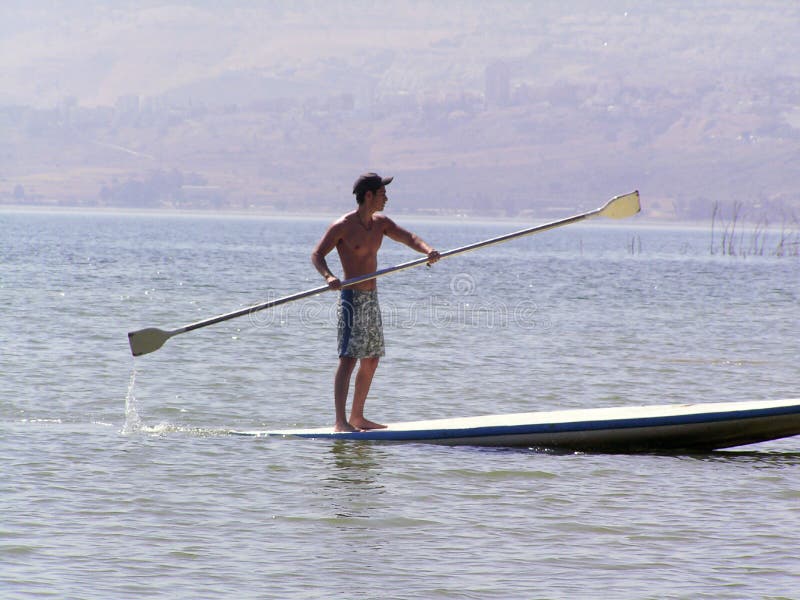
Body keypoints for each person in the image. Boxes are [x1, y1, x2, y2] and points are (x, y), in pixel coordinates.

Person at [311, 173, 440, 432]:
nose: (386, 199)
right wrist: (329, 276)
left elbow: (409, 237)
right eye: (382, 194)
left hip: (371, 299)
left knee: (371, 359)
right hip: (351, 299)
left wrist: (428, 251)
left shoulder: (381, 224)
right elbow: (317, 254)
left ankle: (357, 417)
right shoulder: (343, 226)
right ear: (368, 195)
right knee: (348, 358)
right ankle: (340, 422)